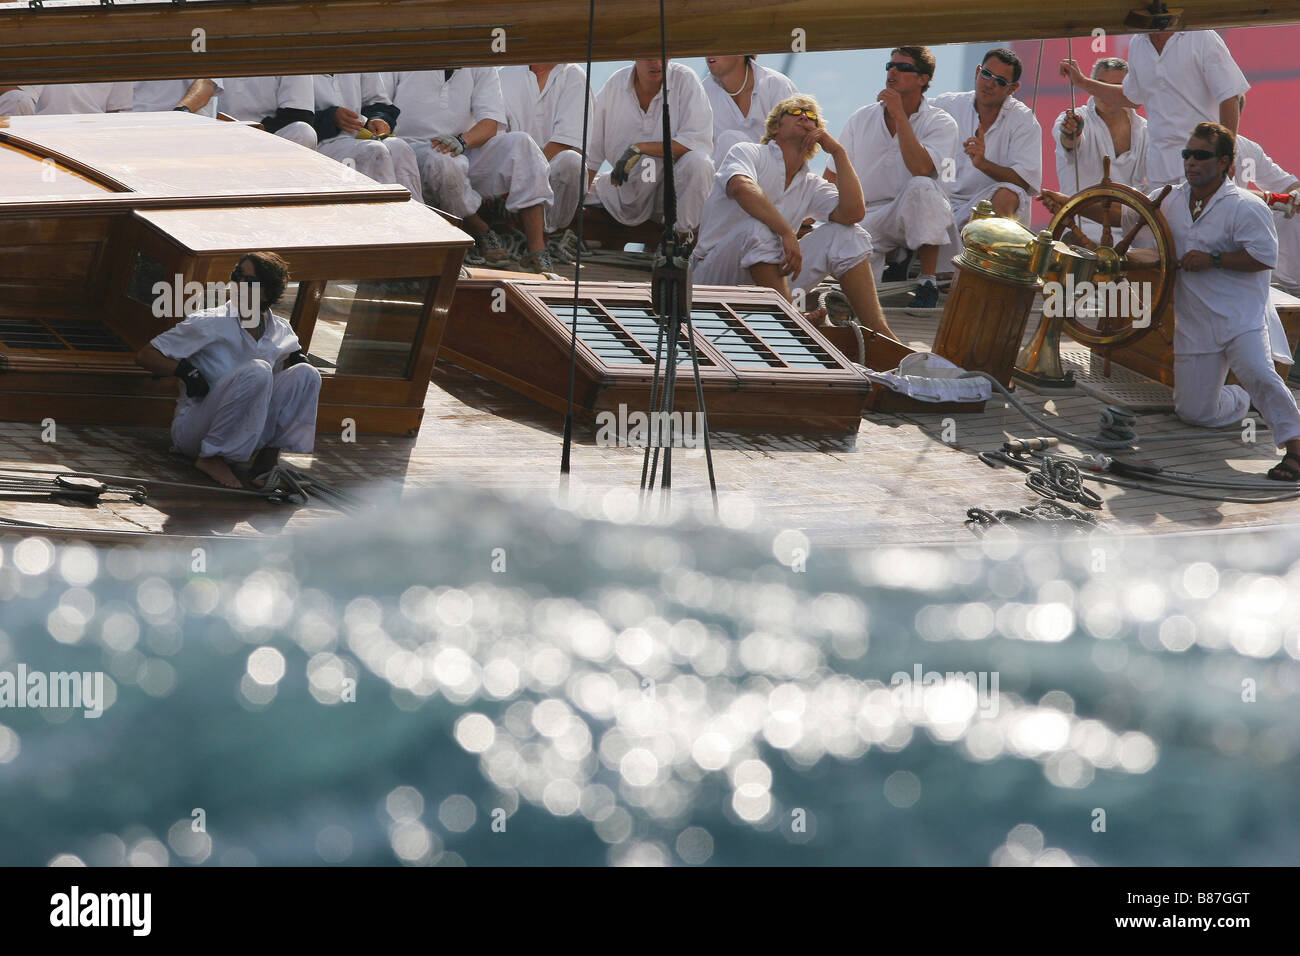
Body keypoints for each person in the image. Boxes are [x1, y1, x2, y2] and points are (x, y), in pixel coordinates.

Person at [1155, 124, 1300, 479]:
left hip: (1241, 319)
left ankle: (1295, 447)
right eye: (1187, 154)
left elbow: (1264, 256)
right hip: (1195, 324)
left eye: (1200, 155)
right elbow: (1128, 213)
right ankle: (1241, 399)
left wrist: (1213, 259)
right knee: (1194, 413)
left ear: (1223, 162)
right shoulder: (1169, 199)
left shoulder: (1246, 207)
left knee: (1262, 375)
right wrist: (1070, 204)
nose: (1191, 161)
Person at [690, 94, 897, 340]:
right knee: (758, 228)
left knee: (847, 235)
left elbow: (853, 213)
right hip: (712, 280)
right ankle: (790, 319)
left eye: (812, 116)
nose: (804, 116)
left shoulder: (810, 184)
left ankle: (879, 334)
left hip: (771, 279)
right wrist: (786, 232)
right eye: (795, 111)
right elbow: (741, 187)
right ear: (776, 127)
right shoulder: (749, 152)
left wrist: (839, 152)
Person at [135, 252, 321, 490]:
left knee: (307, 374)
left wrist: (298, 360)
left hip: (249, 434)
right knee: (259, 370)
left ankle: (266, 462)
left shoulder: (281, 329)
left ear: (266, 291)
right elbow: (146, 355)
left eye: (248, 280)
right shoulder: (210, 321)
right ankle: (211, 458)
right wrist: (185, 371)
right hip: (197, 433)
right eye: (236, 275)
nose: (238, 283)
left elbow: (295, 364)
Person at [384, 68, 554, 271]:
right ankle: (478, 229)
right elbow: (380, 107)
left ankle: (537, 251)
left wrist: (462, 141)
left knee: (522, 144)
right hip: (412, 150)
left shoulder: (479, 62)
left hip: (463, 147)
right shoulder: (405, 51)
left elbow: (490, 123)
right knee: (444, 162)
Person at [827, 46, 958, 308]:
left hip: (912, 207)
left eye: (904, 67)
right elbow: (832, 176)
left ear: (923, 79)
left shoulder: (941, 122)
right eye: (890, 66)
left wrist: (899, 114)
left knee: (922, 186)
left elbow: (921, 168)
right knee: (859, 299)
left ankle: (927, 281)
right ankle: (897, 261)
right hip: (867, 216)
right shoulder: (861, 118)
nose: (893, 71)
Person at [1059, 29, 1248, 188]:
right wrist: (1082, 82)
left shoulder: (1201, 37)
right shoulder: (1138, 45)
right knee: (1167, 231)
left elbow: (1229, 96)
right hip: (1161, 170)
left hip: (1205, 160)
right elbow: (1131, 96)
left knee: (1208, 229)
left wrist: (1226, 154)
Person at [586, 58, 714, 241]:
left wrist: (640, 148)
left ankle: (679, 242)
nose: (657, 63)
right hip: (624, 190)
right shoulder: (615, 85)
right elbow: (592, 152)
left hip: (669, 195)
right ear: (634, 56)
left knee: (700, 163)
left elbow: (696, 142)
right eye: (648, 56)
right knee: (566, 181)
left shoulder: (684, 80)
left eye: (662, 56)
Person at [1052, 57, 1149, 242]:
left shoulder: (1146, 131)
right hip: (1078, 233)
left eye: (1114, 88)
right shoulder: (1074, 117)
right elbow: (1068, 141)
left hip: (1132, 236)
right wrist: (1072, 132)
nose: (1105, 93)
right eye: (1100, 85)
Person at [499, 63, 594, 236]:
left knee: (571, 162)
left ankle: (549, 233)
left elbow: (564, 142)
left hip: (549, 179)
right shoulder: (504, 75)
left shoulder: (574, 75)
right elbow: (496, 137)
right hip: (509, 180)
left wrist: (525, 178)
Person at [312, 73, 423, 200]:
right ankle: (385, 215)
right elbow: (291, 119)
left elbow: (377, 103)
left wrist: (378, 118)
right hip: (315, 146)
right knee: (373, 150)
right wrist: (330, 118)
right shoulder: (295, 56)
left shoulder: (356, 54)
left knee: (399, 147)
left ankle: (414, 214)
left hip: (357, 137)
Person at [703, 55, 798, 165]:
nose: (710, 52)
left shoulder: (776, 85)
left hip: (774, 174)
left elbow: (795, 144)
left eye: (718, 44)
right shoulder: (702, 93)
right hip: (722, 178)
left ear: (741, 51)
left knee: (729, 140)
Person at [218, 76, 318, 149]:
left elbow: (300, 116)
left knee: (303, 133)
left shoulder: (291, 50)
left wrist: (251, 134)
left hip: (266, 138)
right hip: (216, 136)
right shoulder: (208, 48)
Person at [0, 82, 131, 115]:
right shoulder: (36, 39)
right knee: (17, 99)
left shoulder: (117, 52)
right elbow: (13, 99)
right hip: (38, 134)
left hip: (91, 134)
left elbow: (113, 112)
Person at [130, 79, 222, 117]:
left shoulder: (202, 41)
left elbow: (206, 85)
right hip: (131, 124)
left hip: (184, 127)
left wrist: (180, 113)